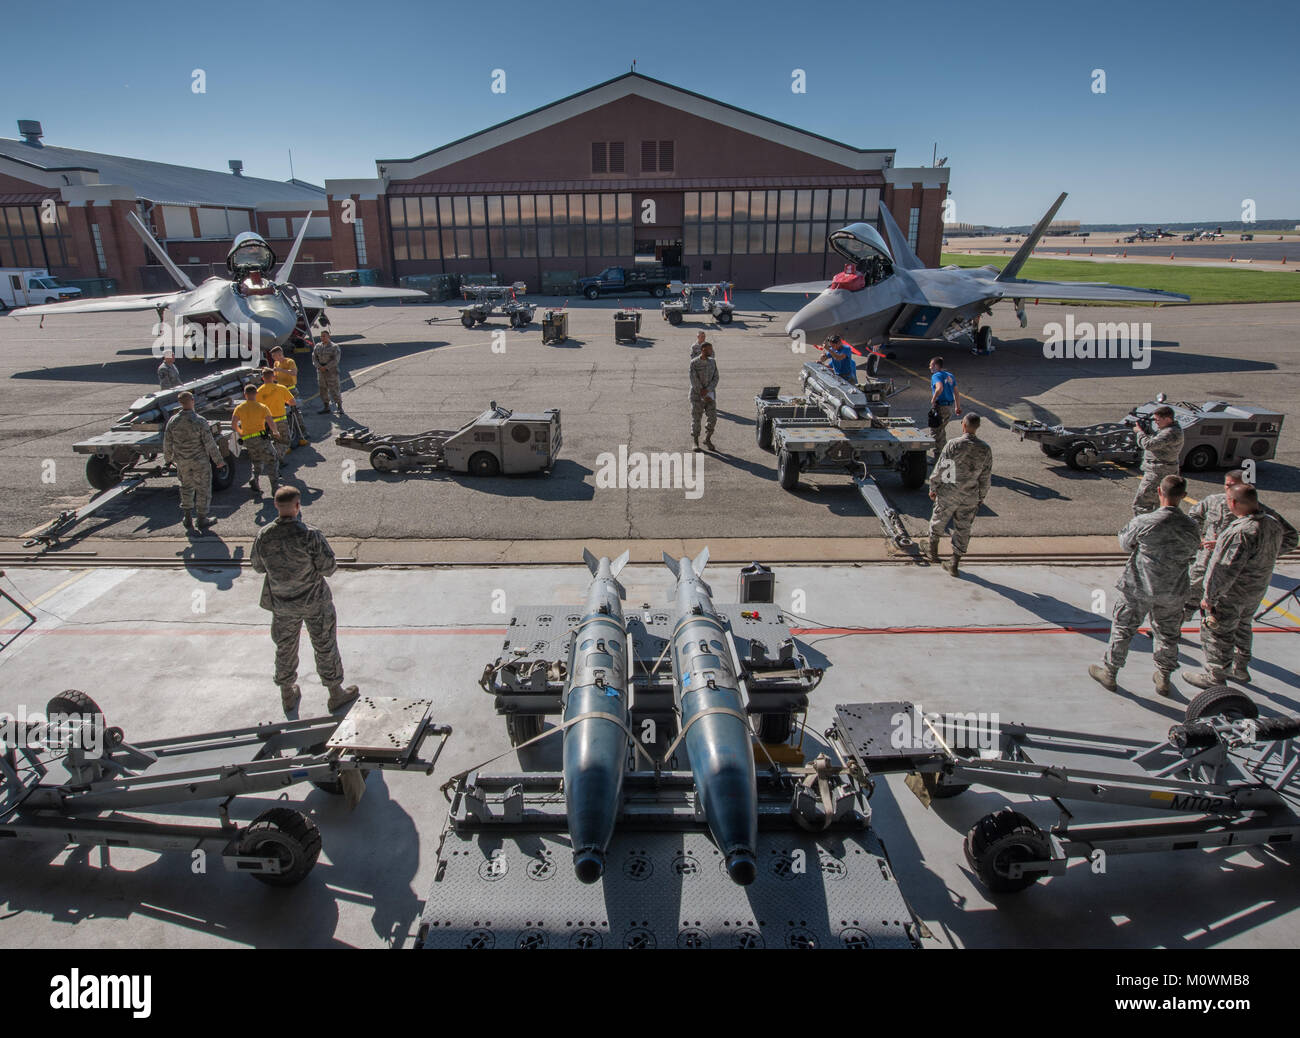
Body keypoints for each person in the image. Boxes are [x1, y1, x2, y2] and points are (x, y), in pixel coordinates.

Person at [250, 485, 360, 714]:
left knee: (285, 647)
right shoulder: (310, 535)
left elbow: (258, 567)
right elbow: (328, 568)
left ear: (276, 506)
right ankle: (335, 692)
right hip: (314, 602)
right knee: (324, 645)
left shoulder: (264, 535)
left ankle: (287, 692)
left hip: (282, 604)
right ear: (298, 506)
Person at [1088, 475, 1200, 697]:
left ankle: (1110, 672)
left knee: (1123, 628)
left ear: (1160, 492)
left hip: (1140, 587)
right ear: (1183, 497)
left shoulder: (1145, 522)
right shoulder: (1191, 527)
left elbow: (1126, 544)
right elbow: (1192, 553)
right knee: (1167, 635)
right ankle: (1163, 677)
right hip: (1173, 590)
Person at [1185, 483, 1289, 687]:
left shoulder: (1241, 532)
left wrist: (1209, 598)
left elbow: (1225, 570)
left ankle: (1215, 676)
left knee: (1216, 632)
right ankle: (1240, 669)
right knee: (1243, 626)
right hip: (1255, 591)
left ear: (1233, 502)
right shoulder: (1272, 524)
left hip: (1231, 594)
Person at [1185, 470, 1297, 620]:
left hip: (1233, 573)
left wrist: (1261, 556)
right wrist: (1199, 538)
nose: (1228, 489)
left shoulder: (1261, 512)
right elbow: (1193, 516)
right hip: (1204, 564)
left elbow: (1290, 537)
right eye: (1226, 485)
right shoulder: (1213, 501)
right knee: (1188, 599)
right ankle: (1171, 632)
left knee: (1220, 617)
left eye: (1233, 485)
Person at [927, 412, 992, 576]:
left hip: (949, 491)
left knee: (938, 520)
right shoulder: (985, 449)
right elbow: (985, 476)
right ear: (977, 427)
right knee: (963, 528)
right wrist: (981, 497)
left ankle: (932, 551)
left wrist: (933, 487)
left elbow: (943, 467)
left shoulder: (953, 444)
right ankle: (954, 562)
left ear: (963, 425)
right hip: (970, 495)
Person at [163, 390, 224, 533]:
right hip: (199, 461)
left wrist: (168, 459)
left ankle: (187, 516)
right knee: (203, 489)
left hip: (182, 462)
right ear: (192, 401)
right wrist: (218, 460)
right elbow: (210, 443)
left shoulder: (173, 421)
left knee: (186, 487)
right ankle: (202, 518)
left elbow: (167, 442)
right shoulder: (199, 420)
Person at [1132, 405, 1182, 515]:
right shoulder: (1168, 430)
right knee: (1162, 505)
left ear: (1168, 419)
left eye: (1157, 420)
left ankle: (1143, 529)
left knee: (1142, 505)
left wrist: (1139, 432)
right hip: (1163, 470)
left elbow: (1148, 444)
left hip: (1158, 472)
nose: (1156, 422)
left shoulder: (1170, 432)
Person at [232, 382, 279, 496]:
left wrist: (241, 433)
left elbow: (233, 424)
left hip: (248, 440)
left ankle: (255, 478)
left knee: (256, 460)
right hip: (261, 438)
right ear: (256, 393)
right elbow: (270, 422)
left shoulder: (239, 408)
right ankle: (274, 488)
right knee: (272, 460)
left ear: (245, 394)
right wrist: (275, 432)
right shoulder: (262, 407)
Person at [256, 366, 299, 457]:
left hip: (267, 421)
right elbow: (292, 402)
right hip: (280, 420)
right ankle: (277, 458)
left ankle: (278, 459)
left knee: (275, 441)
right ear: (274, 377)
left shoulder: (258, 391)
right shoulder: (281, 388)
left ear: (263, 378)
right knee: (285, 442)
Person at [928, 356, 961, 458]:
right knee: (941, 430)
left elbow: (939, 387)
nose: (929, 367)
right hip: (949, 406)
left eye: (931, 365)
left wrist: (933, 399)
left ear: (936, 366)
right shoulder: (950, 376)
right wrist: (957, 406)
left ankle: (938, 457)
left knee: (935, 431)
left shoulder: (936, 376)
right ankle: (945, 453)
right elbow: (956, 392)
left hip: (940, 406)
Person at [689, 341, 718, 452]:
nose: (712, 351)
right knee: (696, 419)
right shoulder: (694, 363)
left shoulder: (713, 362)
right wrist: (702, 391)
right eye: (710, 349)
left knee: (713, 418)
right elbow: (693, 379)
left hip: (710, 396)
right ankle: (695, 441)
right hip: (697, 396)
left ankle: (707, 439)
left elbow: (716, 377)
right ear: (703, 350)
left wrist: (708, 390)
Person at [313, 329, 344, 414]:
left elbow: (336, 360)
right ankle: (326, 406)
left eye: (324, 336)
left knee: (334, 388)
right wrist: (319, 366)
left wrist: (326, 367)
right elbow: (314, 358)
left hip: (331, 371)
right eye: (321, 336)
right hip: (321, 371)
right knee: (322, 389)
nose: (322, 338)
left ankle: (339, 407)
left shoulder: (334, 347)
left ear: (328, 337)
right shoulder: (318, 346)